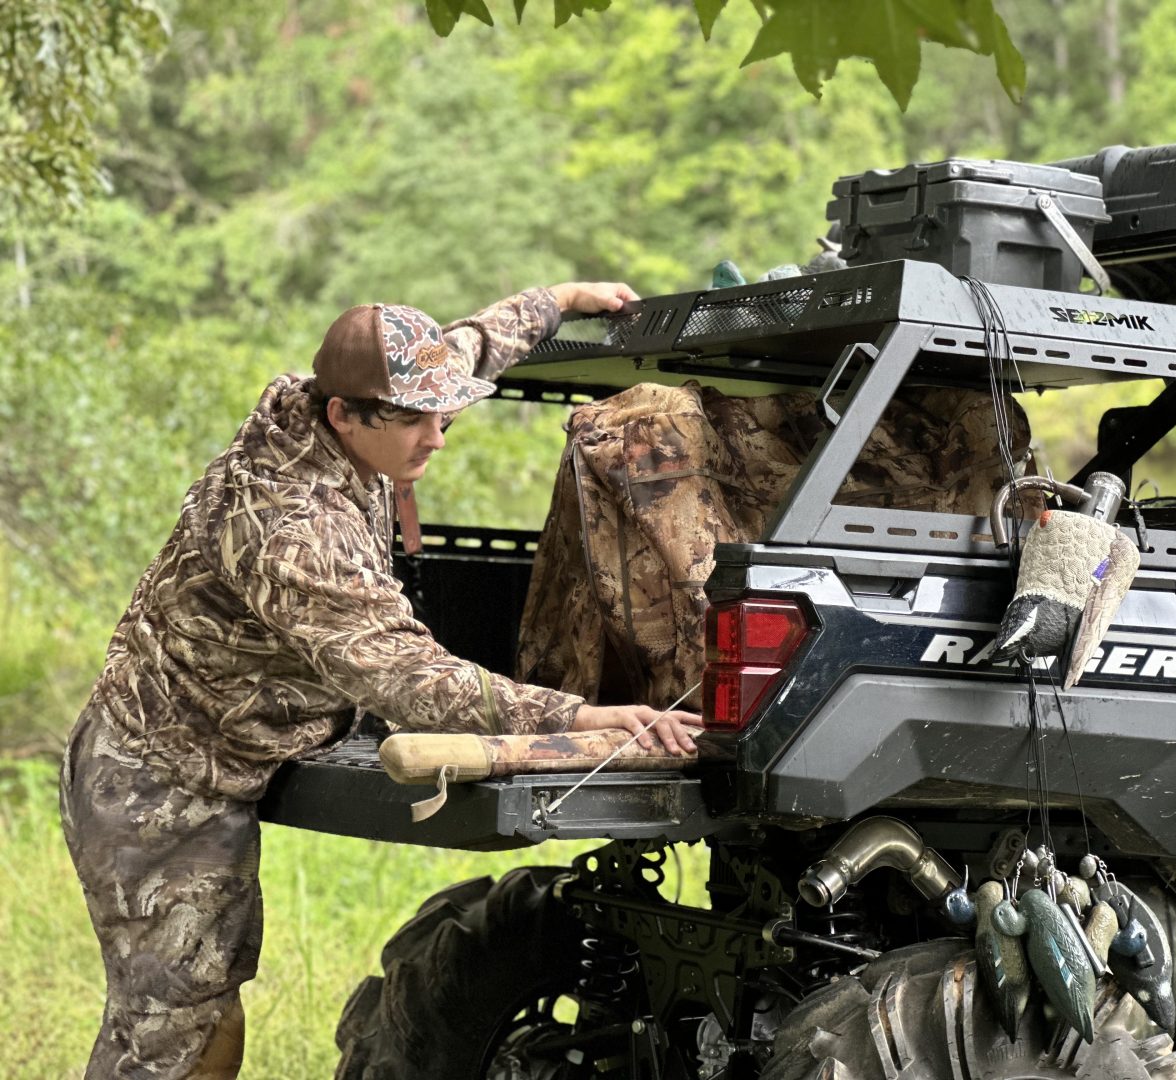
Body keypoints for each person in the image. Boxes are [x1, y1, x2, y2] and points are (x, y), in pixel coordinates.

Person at [59, 281, 699, 1079]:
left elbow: (473, 341)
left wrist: (560, 297)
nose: (438, 438)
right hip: (162, 775)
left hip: (225, 754)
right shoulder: (288, 526)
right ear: (344, 417)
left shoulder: (370, 405)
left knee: (204, 994)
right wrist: (579, 716)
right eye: (417, 422)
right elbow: (405, 675)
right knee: (169, 1026)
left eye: (447, 415)